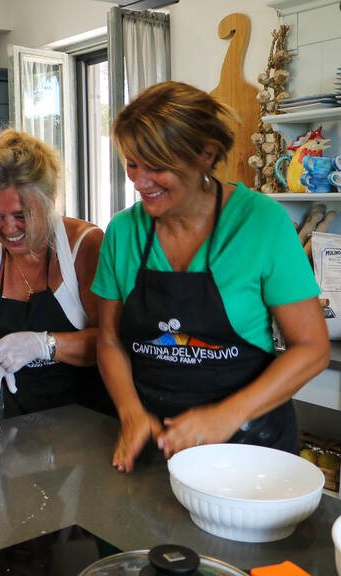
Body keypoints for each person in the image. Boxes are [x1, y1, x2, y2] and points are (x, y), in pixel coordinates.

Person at [91, 81, 330, 473]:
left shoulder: (261, 223)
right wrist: (131, 413)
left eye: (157, 166)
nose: (139, 181)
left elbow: (312, 348)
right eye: (131, 163)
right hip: (152, 445)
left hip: (250, 450)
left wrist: (225, 416)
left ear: (205, 155)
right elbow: (110, 340)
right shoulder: (123, 232)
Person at [0, 129, 109, 418]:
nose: (8, 229)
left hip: (92, 418)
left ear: (50, 200)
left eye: (21, 215)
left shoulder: (85, 245)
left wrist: (44, 345)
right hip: (23, 422)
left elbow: (111, 340)